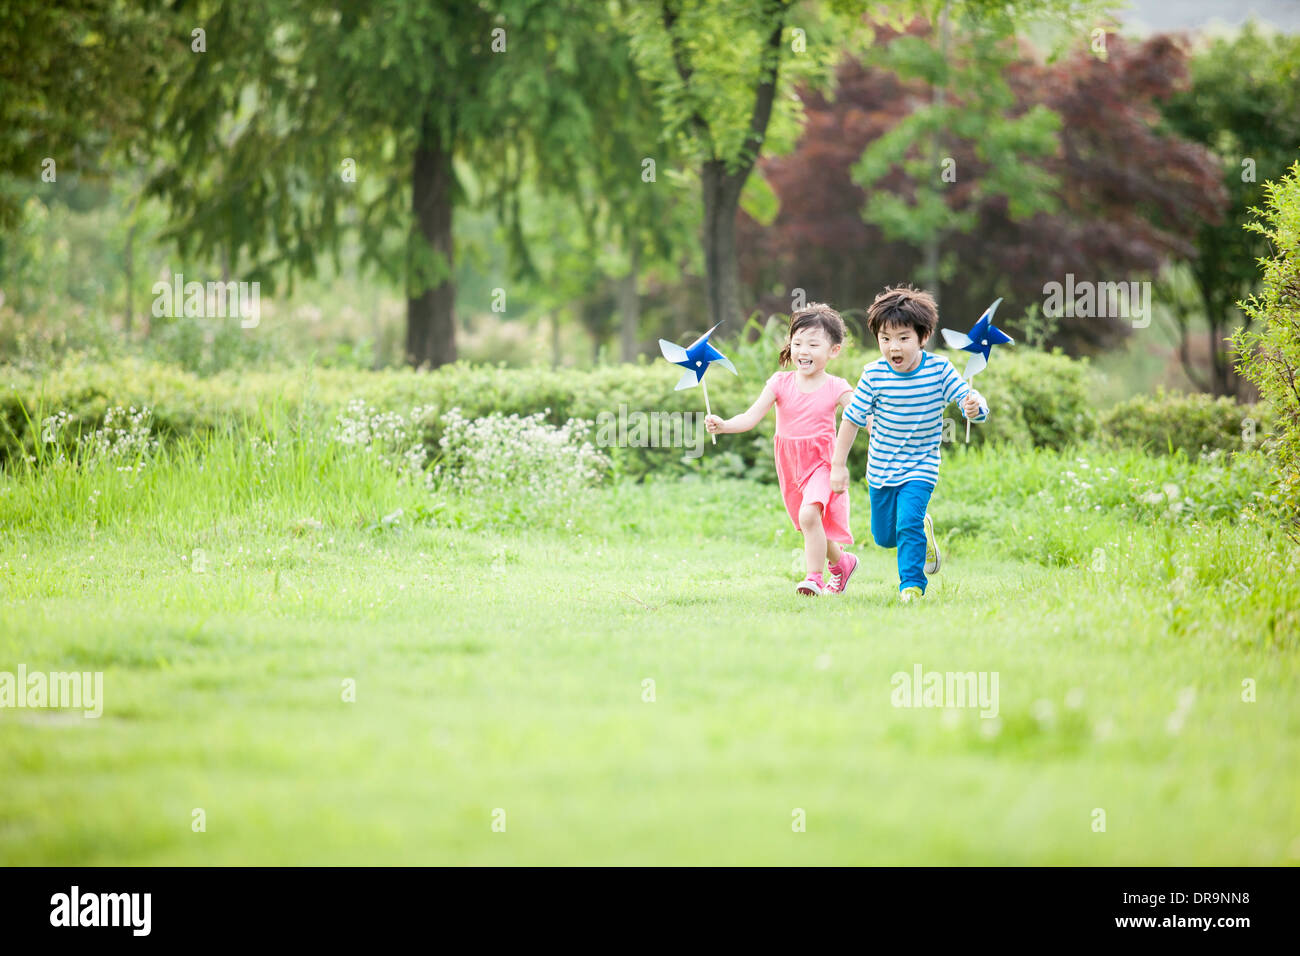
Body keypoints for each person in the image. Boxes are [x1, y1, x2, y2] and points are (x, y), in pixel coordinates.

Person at [829, 286, 988, 602]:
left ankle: (911, 587)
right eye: (885, 339)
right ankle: (922, 534)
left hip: (921, 467)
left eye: (903, 338)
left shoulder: (939, 369)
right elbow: (852, 420)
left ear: (923, 336)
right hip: (881, 471)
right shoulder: (873, 375)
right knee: (885, 537)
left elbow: (969, 400)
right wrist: (838, 465)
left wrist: (976, 407)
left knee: (907, 524)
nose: (893, 347)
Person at [706, 303, 859, 596]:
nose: (803, 350)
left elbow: (860, 414)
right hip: (790, 464)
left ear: (834, 351)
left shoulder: (836, 386)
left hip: (822, 462)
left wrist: (880, 424)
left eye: (813, 344)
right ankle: (843, 563)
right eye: (797, 342)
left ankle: (813, 577)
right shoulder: (780, 382)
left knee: (808, 515)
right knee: (810, 522)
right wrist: (723, 425)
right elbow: (750, 418)